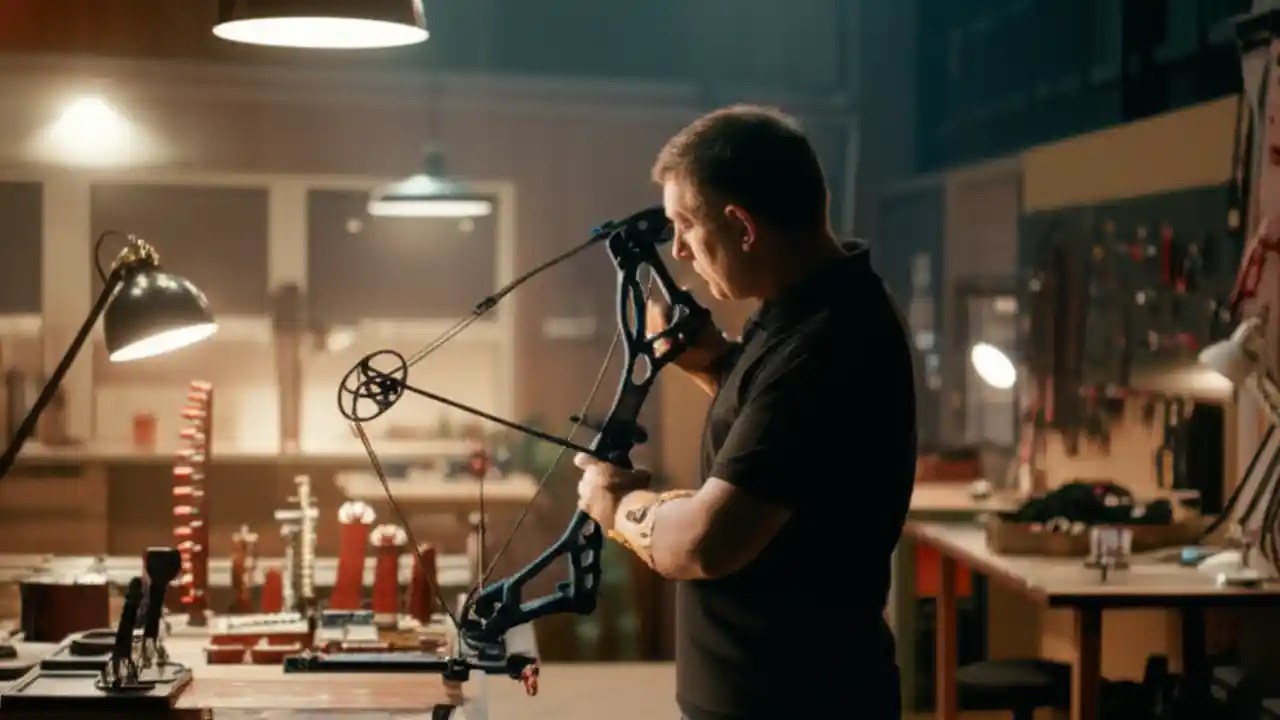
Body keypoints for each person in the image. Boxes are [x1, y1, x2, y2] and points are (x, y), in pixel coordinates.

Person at [576, 104, 918, 720]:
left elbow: (707, 544)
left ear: (742, 225)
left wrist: (616, 508)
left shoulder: (826, 344)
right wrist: (715, 363)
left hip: (795, 702)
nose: (677, 249)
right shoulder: (804, 310)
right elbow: (792, 441)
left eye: (684, 224)